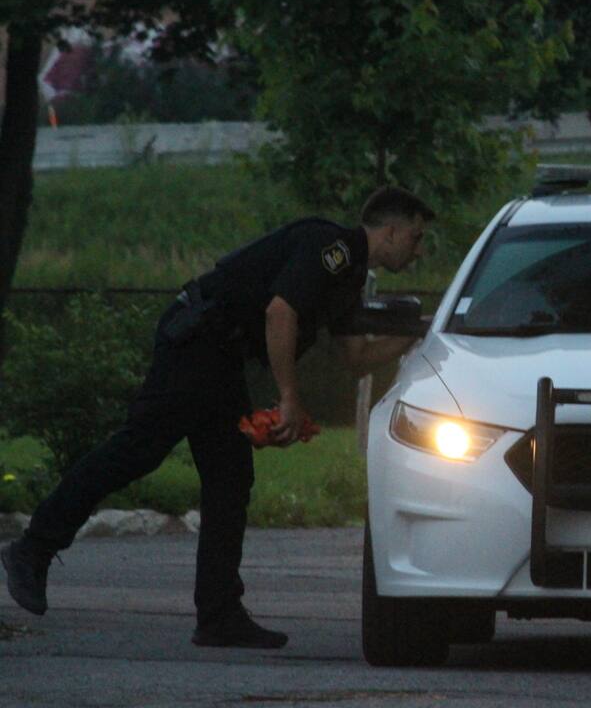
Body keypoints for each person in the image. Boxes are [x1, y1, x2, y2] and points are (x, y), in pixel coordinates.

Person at [1, 185, 434, 649]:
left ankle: (218, 615)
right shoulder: (332, 248)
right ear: (390, 231)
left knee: (229, 477)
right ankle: (32, 550)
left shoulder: (350, 275)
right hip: (198, 341)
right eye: (415, 236)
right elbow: (280, 313)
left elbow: (355, 358)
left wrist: (417, 334)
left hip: (218, 355)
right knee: (136, 451)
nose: (418, 249)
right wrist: (289, 399)